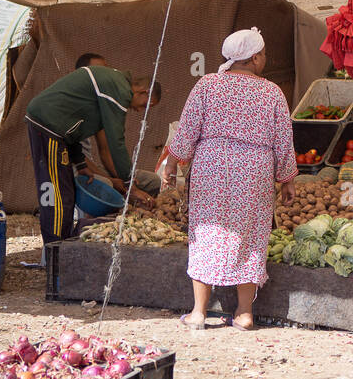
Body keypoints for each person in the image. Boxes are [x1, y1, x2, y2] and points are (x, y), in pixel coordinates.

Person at [161, 28, 297, 331]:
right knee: (251, 236)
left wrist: (171, 164)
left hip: (211, 166)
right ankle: (244, 313)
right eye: (264, 54)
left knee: (205, 232)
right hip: (254, 170)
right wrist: (286, 178)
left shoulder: (207, 85)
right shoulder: (272, 92)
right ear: (255, 57)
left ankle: (199, 312)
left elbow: (187, 129)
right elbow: (283, 140)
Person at [26, 64, 160, 244]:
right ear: (144, 92)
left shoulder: (113, 85)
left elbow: (73, 126)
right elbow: (116, 142)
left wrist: (81, 164)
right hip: (47, 126)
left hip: (57, 132)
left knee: (66, 194)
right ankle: (55, 252)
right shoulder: (119, 90)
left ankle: (63, 248)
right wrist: (130, 185)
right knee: (57, 195)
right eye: (146, 105)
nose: (141, 110)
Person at [74, 53, 163, 199]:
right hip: (81, 167)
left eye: (106, 71)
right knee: (106, 186)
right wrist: (116, 181)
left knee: (153, 181)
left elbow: (106, 150)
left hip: (92, 166)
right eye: (98, 72)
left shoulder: (104, 103)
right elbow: (79, 157)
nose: (105, 76)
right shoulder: (77, 103)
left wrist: (125, 181)